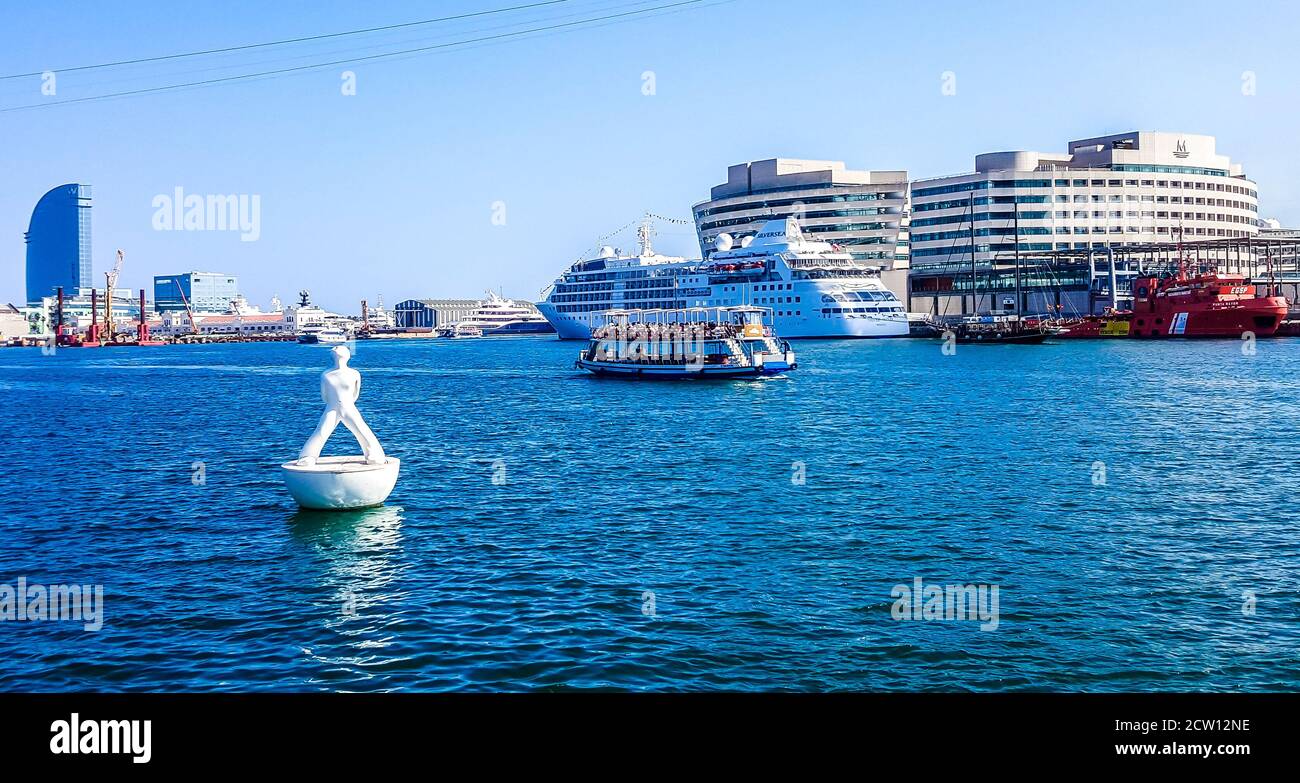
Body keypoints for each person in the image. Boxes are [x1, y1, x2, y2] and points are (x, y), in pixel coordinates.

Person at [297, 345, 386, 466]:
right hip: (332, 408)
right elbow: (325, 395)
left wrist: (344, 403)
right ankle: (308, 456)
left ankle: (374, 454)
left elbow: (354, 394)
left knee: (361, 429)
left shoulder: (354, 374)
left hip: (348, 407)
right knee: (322, 431)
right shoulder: (326, 375)